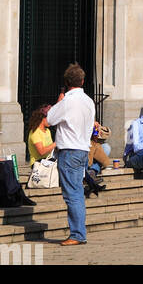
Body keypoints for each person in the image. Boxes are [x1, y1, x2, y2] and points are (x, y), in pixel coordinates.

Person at [46, 62, 95, 246]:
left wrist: (59, 101)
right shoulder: (89, 101)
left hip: (69, 150)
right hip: (83, 148)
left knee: (72, 194)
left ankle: (77, 234)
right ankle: (78, 232)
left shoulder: (67, 101)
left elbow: (50, 119)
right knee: (77, 192)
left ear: (67, 82)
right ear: (82, 81)